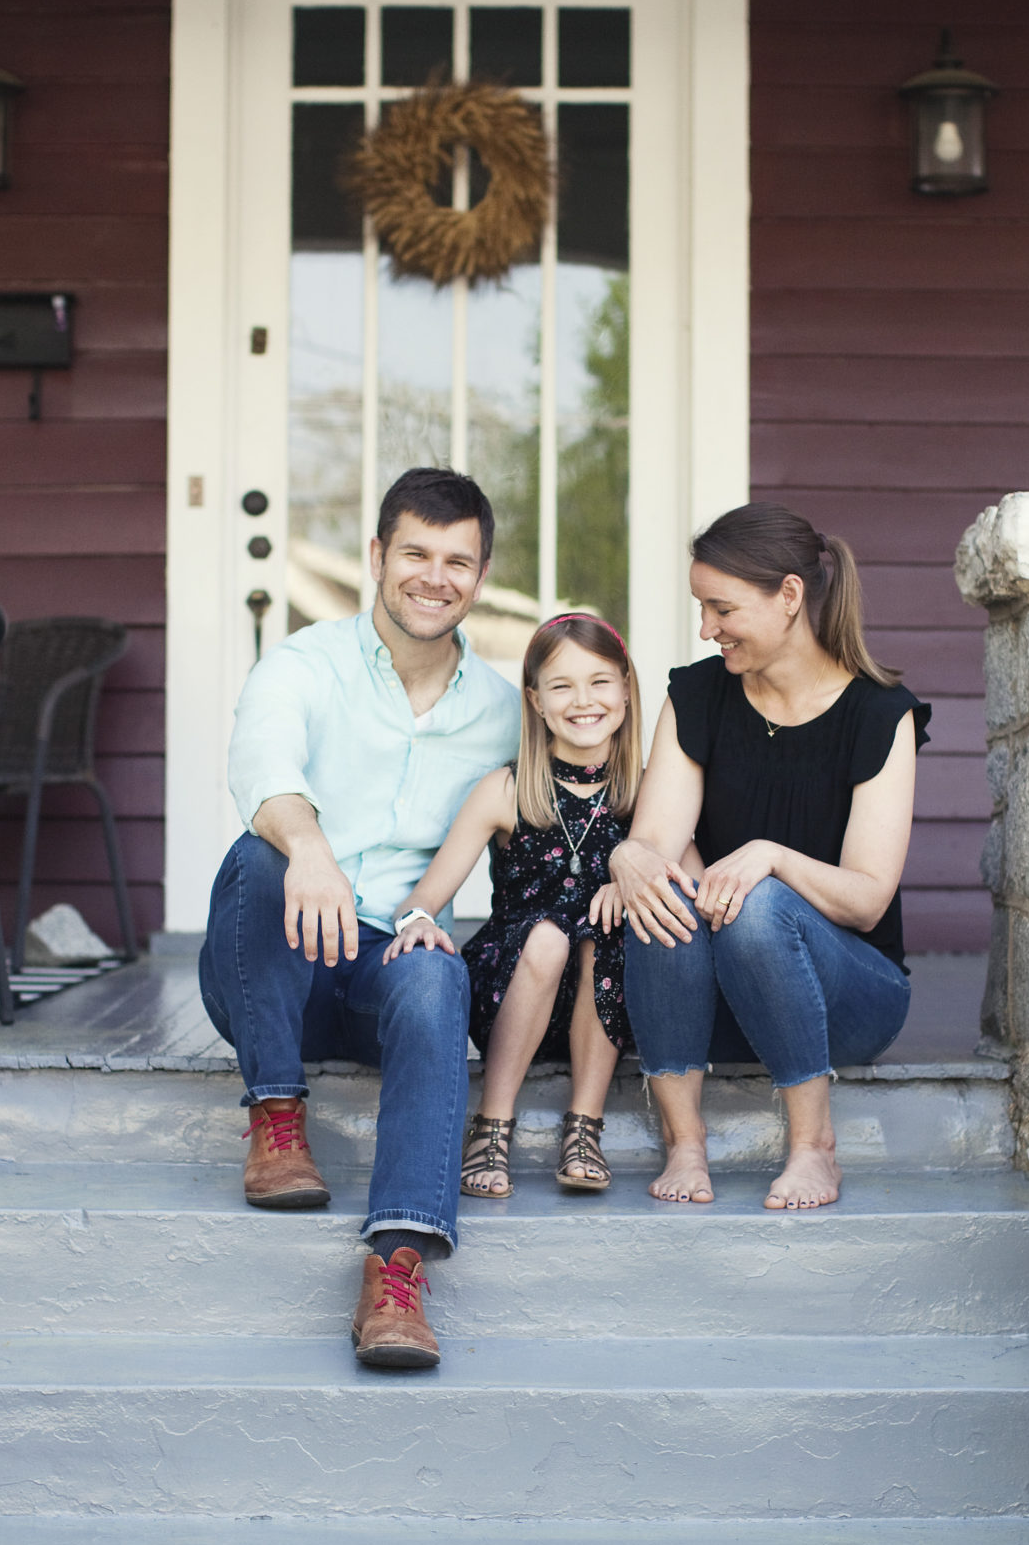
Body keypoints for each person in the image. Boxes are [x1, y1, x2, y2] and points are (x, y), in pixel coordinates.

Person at [196, 468, 522, 1370]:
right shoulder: (305, 663)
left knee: (437, 969)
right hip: (278, 968)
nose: (435, 575)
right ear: (377, 557)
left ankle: (398, 1269)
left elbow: (571, 799)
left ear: (482, 574)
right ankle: (276, 1116)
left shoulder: (501, 711)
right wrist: (308, 844)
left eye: (458, 560)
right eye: (416, 552)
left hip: (389, 974)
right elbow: (262, 763)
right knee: (260, 857)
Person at [608, 504, 928, 1212]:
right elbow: (658, 838)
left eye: (722, 608)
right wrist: (630, 854)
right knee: (657, 892)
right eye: (701, 607)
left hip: (850, 995)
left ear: (789, 595)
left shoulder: (880, 714)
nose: (706, 628)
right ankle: (685, 1142)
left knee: (756, 907)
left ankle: (815, 1148)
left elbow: (868, 897)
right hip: (721, 994)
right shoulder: (698, 695)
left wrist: (772, 857)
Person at [385, 612, 643, 1198]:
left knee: (602, 932)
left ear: (626, 689)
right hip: (513, 990)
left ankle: (584, 1127)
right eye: (561, 686)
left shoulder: (645, 794)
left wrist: (635, 883)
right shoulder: (507, 789)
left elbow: (688, 880)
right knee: (552, 934)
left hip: (603, 1000)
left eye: (600, 682)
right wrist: (419, 922)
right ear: (536, 701)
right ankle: (491, 1125)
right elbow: (423, 897)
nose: (584, 701)